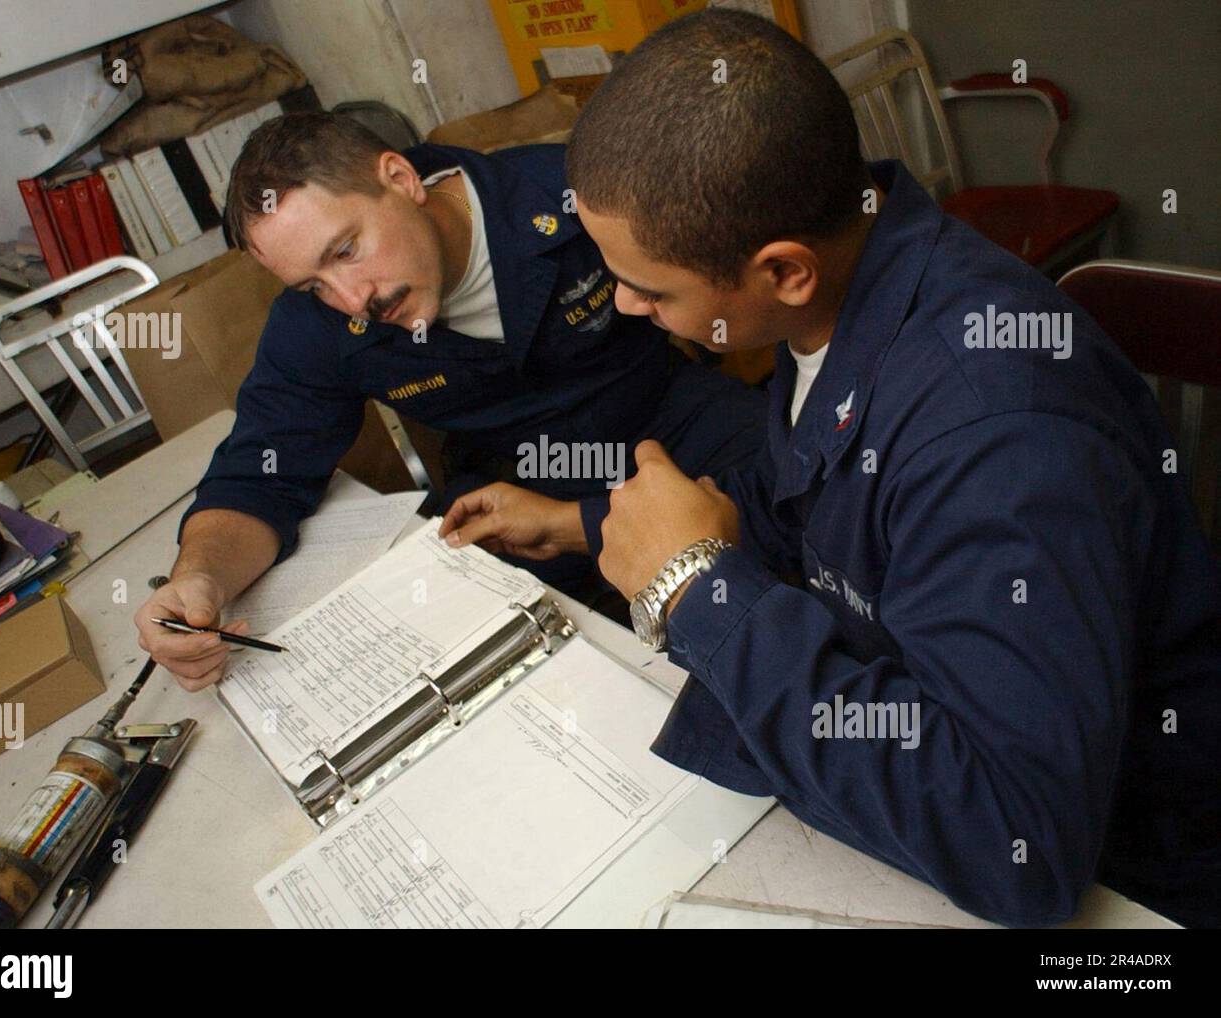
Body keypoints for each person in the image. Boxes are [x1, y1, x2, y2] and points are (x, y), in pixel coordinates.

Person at [438, 10, 1221, 927]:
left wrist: (695, 590)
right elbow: (813, 504)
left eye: (650, 288)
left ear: (784, 270)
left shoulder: (999, 440)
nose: (625, 304)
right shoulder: (845, 288)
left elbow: (1019, 846)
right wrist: (587, 525)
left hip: (1144, 883)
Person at [132, 111, 768, 689]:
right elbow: (258, 474)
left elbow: (737, 299)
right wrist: (200, 578)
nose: (354, 300)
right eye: (315, 284)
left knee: (799, 493)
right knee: (454, 666)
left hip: (666, 426)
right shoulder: (315, 325)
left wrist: (589, 520)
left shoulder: (573, 195)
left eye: (347, 250)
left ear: (401, 178)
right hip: (507, 494)